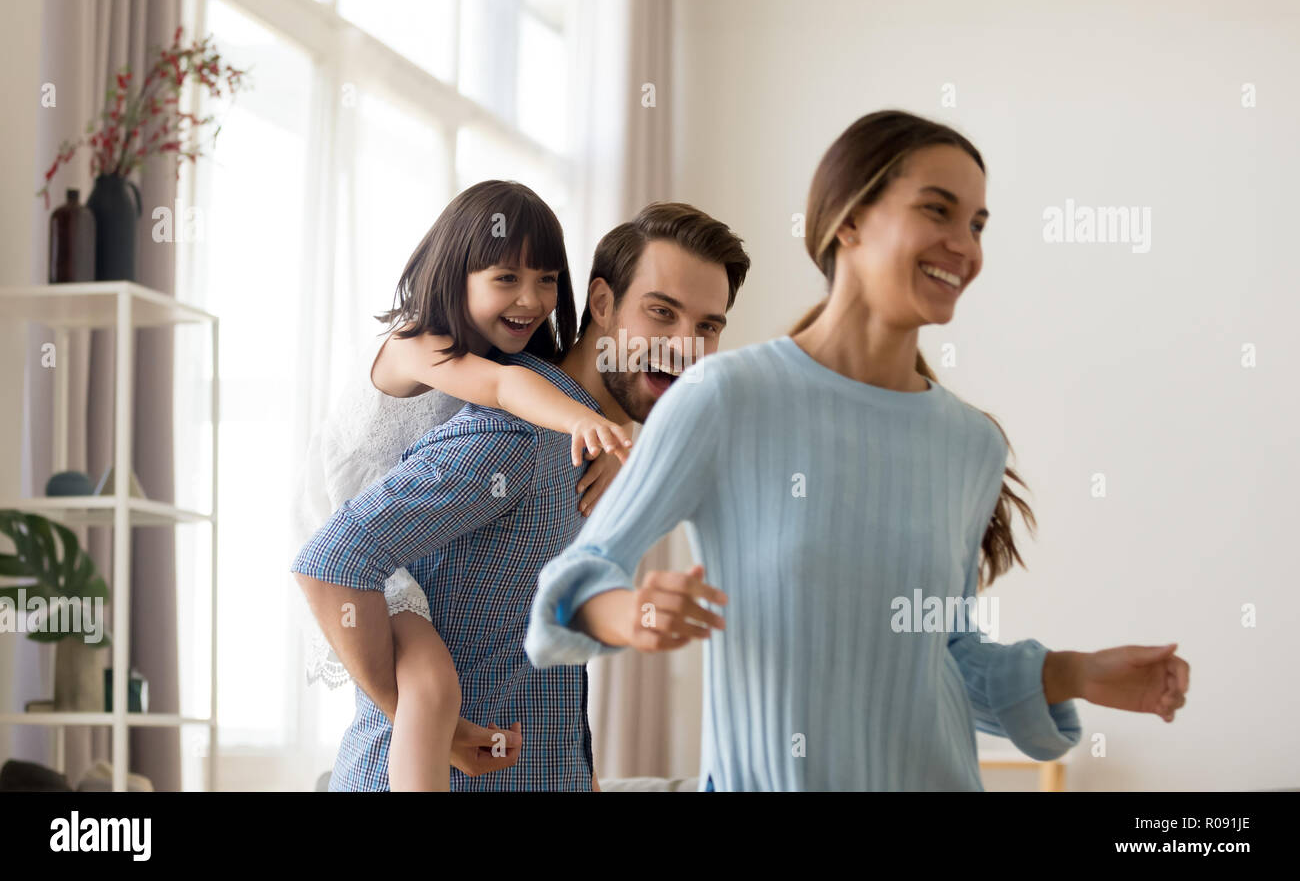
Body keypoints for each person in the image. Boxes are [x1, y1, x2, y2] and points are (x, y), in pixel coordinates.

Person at [525, 110, 1191, 791]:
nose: (965, 246)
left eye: (978, 225)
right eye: (939, 210)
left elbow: (948, 655)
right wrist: (633, 614)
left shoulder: (971, 443)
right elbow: (575, 582)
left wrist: (1074, 673)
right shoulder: (725, 396)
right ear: (849, 221)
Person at [292, 201, 751, 790]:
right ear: (603, 304)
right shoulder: (515, 439)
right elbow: (332, 560)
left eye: (708, 327)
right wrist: (416, 712)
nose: (686, 347)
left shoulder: (598, 455)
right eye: (662, 313)